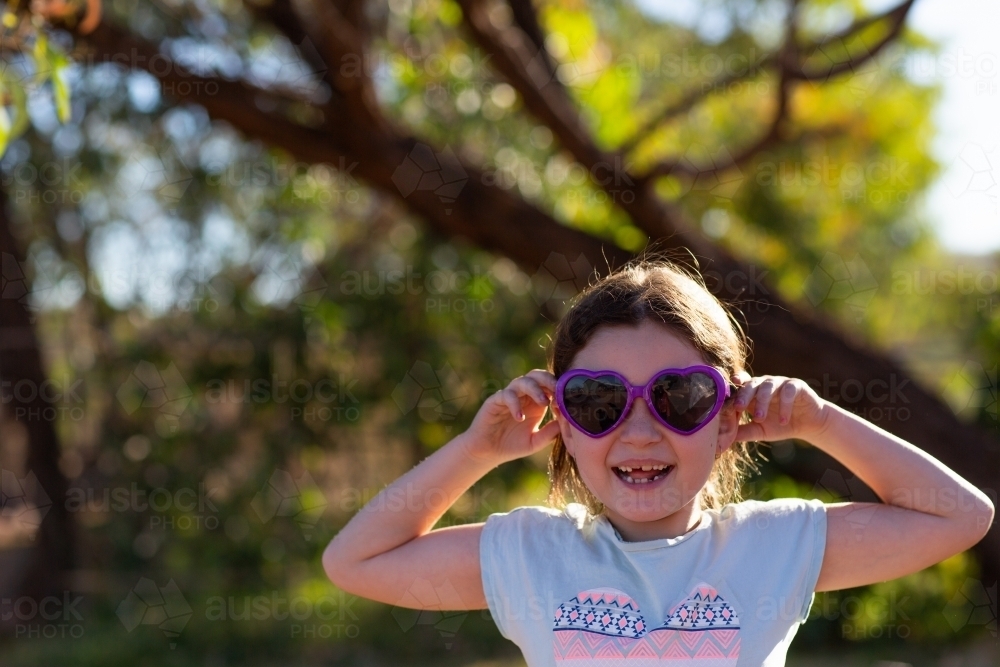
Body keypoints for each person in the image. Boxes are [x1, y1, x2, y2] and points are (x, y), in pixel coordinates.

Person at [322, 256, 994, 666]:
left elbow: (960, 515)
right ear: (561, 422)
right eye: (597, 401)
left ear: (730, 416)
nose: (639, 431)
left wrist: (823, 422)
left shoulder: (776, 543)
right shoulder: (529, 554)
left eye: (680, 395)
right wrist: (475, 449)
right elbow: (354, 561)